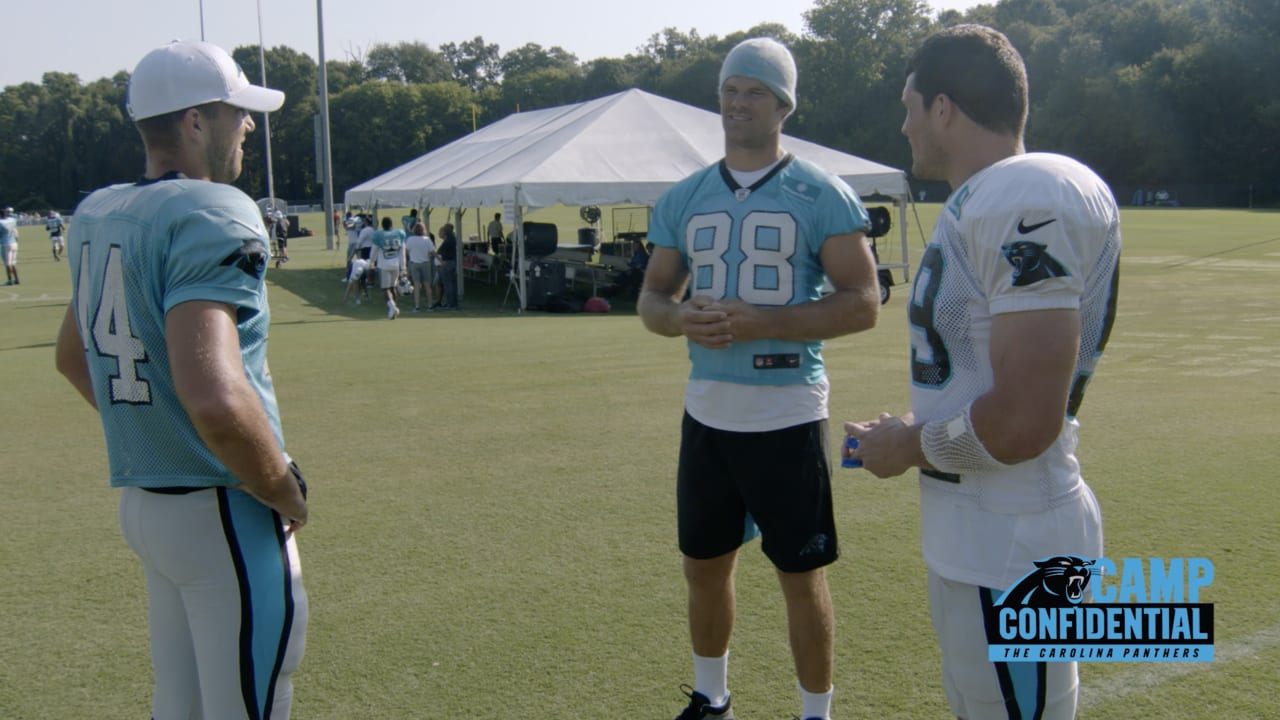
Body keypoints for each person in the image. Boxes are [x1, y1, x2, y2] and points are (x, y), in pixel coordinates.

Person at [842, 25, 1121, 720]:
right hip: (985, 533)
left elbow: (1026, 419)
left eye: (910, 107)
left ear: (943, 108)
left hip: (1015, 539)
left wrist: (911, 447)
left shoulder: (1023, 193)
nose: (904, 126)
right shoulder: (994, 197)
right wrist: (916, 426)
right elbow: (984, 377)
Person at [51, 40, 308, 720]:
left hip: (146, 503)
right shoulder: (213, 208)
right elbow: (217, 397)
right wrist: (280, 484)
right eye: (237, 113)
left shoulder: (99, 210)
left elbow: (74, 356)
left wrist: (157, 433)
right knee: (247, 705)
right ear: (196, 122)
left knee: (181, 703)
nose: (249, 126)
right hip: (222, 505)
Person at [637, 37, 880, 720]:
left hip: (786, 410)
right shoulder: (686, 196)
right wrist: (681, 320)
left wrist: (766, 320)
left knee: (801, 575)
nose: (738, 103)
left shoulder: (820, 191)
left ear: (783, 105)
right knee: (704, 566)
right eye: (730, 90)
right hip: (707, 408)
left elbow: (863, 302)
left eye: (755, 92)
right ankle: (712, 697)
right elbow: (653, 300)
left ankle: (815, 713)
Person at [371, 215, 406, 319]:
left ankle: (392, 307)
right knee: (393, 287)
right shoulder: (399, 234)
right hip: (396, 264)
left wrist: (371, 262)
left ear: (382, 225)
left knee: (385, 288)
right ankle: (393, 309)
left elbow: (374, 250)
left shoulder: (379, 235)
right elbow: (402, 252)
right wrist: (403, 268)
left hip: (384, 265)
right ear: (392, 224)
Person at [405, 221, 436, 311]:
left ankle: (417, 306)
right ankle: (430, 305)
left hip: (414, 263)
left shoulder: (410, 239)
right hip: (425, 263)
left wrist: (406, 262)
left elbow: (406, 251)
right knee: (427, 285)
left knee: (416, 285)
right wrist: (440, 260)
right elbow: (433, 252)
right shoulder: (427, 239)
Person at [436, 222, 459, 309]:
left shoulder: (448, 241)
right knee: (451, 284)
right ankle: (452, 303)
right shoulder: (452, 239)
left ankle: (450, 304)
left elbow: (439, 251)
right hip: (451, 263)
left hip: (447, 263)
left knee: (448, 284)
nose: (439, 234)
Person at [0, 206, 19, 285]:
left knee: (8, 264)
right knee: (13, 263)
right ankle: (16, 279)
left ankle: (10, 280)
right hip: (14, 243)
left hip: (6, 243)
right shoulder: (12, 220)